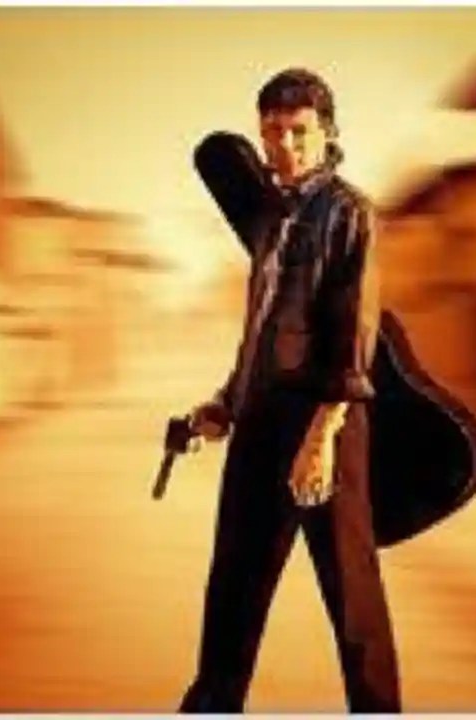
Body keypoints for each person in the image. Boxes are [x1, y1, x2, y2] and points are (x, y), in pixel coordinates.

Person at [178, 68, 400, 713]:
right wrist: (227, 402)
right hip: (260, 424)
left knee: (353, 601)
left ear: (327, 132)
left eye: (298, 132)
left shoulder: (351, 213)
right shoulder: (270, 218)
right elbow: (266, 326)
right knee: (232, 592)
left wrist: (322, 436)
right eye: (272, 132)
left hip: (326, 425)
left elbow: (352, 333)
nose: (285, 146)